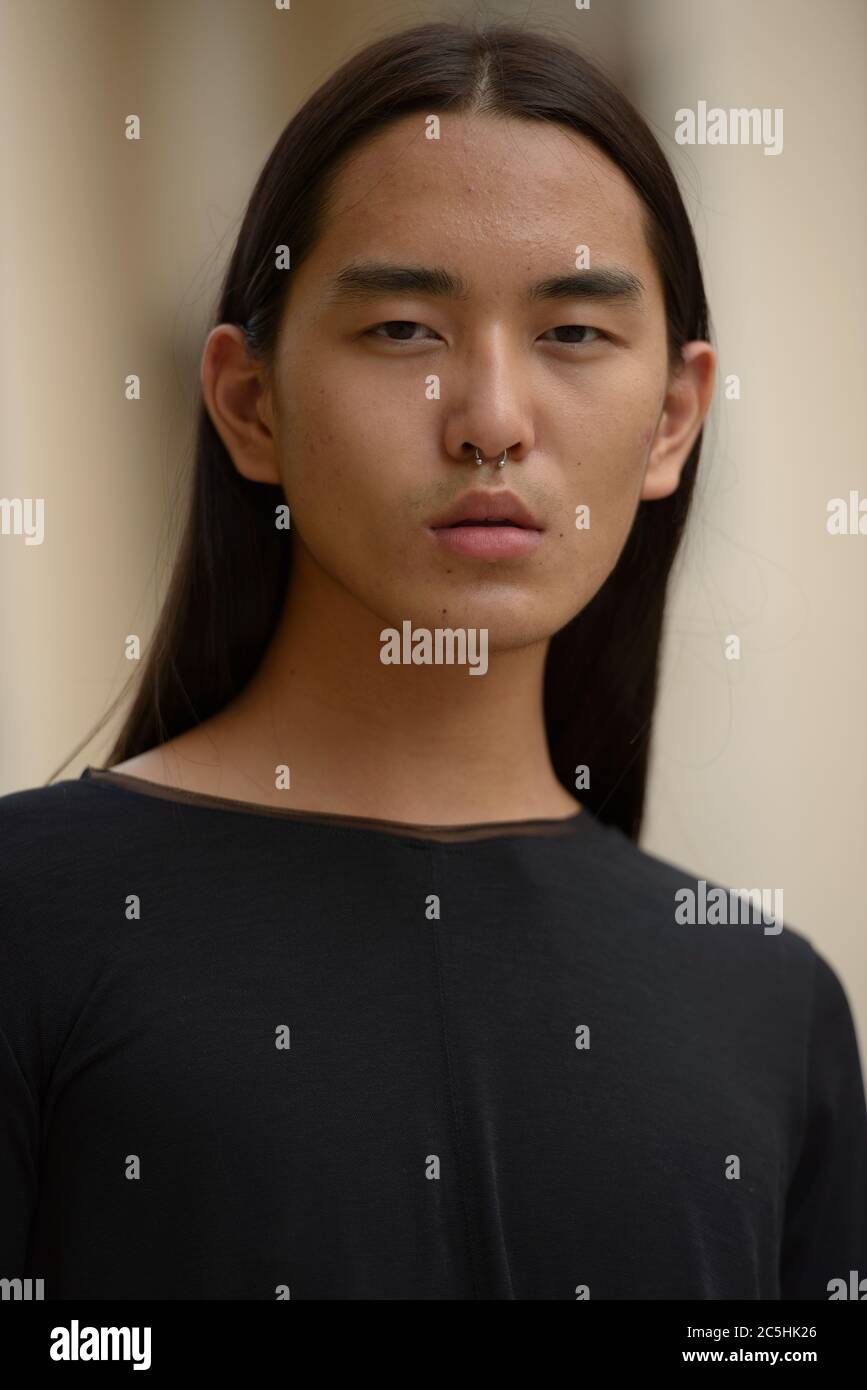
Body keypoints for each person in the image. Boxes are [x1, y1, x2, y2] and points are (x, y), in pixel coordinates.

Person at [1, 20, 864, 1301]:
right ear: (251, 405)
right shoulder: (32, 919)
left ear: (673, 419)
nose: (492, 424)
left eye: (574, 333)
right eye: (405, 329)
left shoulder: (770, 1006)